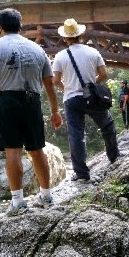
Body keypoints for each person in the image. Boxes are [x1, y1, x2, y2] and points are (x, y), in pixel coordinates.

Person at [0, 7, 63, 213]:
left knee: (12, 151)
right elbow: (49, 83)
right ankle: (46, 196)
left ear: (0, 26)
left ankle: (18, 201)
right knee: (37, 149)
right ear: (21, 26)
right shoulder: (37, 49)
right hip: (33, 101)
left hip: (8, 101)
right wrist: (55, 111)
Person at [52, 17, 120, 183]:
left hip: (71, 99)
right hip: (91, 97)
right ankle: (114, 157)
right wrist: (90, 86)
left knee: (76, 135)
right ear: (80, 35)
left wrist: (67, 88)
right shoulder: (93, 52)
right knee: (107, 125)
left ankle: (81, 173)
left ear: (65, 38)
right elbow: (104, 75)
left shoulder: (60, 56)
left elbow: (55, 81)